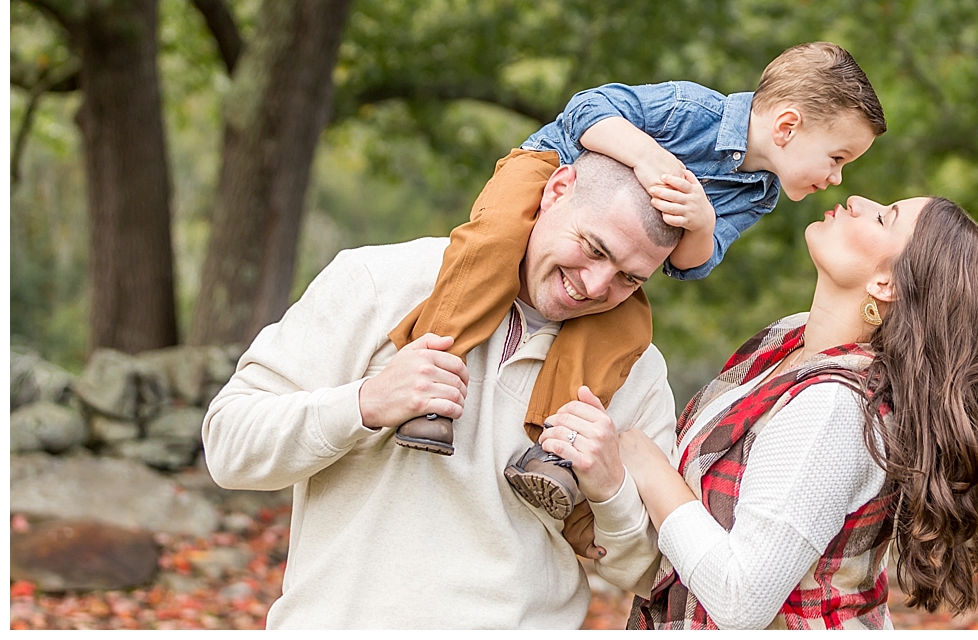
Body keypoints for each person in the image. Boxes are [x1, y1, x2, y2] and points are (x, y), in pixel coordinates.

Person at [388, 42, 887, 524]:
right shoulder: (692, 111)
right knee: (492, 245)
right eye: (837, 158)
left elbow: (691, 264)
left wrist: (702, 222)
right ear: (787, 126)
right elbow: (588, 109)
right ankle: (432, 372)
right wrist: (648, 160)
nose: (837, 178)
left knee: (626, 327)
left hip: (618, 252)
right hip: (553, 172)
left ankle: (553, 448)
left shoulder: (760, 194)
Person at [201, 153, 685, 630]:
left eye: (629, 278)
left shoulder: (638, 374)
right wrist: (365, 403)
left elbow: (646, 572)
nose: (596, 285)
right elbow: (228, 445)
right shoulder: (381, 280)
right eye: (594, 248)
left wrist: (611, 490)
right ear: (557, 191)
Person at [539, 195, 978, 629]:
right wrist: (611, 496)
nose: (857, 200)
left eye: (884, 218)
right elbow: (693, 527)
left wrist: (647, 466)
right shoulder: (786, 343)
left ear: (887, 283)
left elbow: (740, 602)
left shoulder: (834, 407)